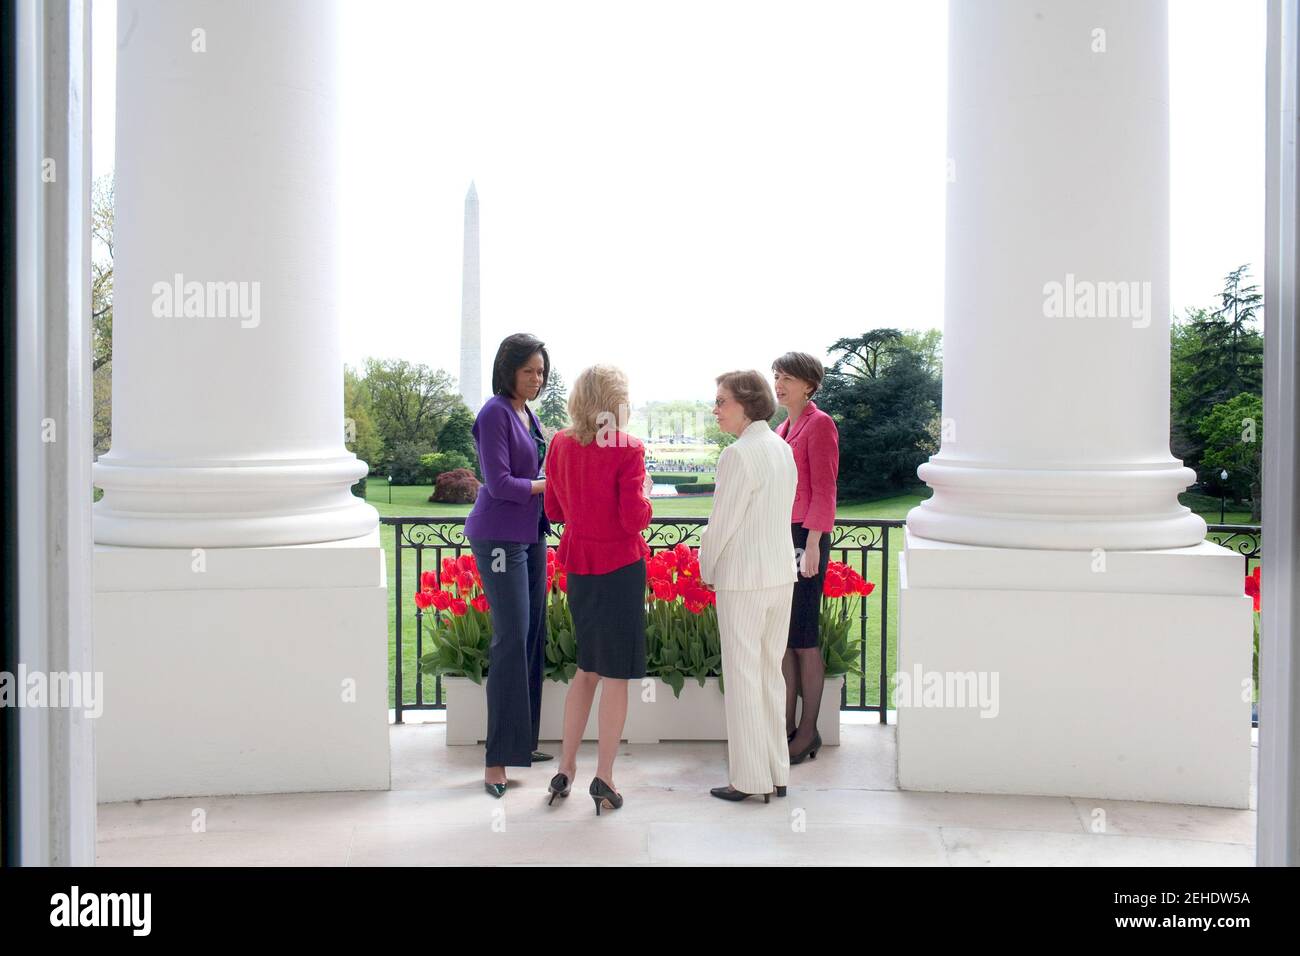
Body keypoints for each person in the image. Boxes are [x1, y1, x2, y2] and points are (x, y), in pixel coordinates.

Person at [542, 365, 654, 815]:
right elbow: (634, 520)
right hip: (621, 568)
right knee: (616, 677)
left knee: (585, 670)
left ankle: (565, 767)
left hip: (580, 568)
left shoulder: (560, 444)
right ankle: (604, 777)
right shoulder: (628, 449)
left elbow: (552, 508)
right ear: (617, 403)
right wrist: (645, 491)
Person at [698, 370, 798, 803]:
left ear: (746, 404)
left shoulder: (738, 455)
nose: (715, 409)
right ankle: (777, 773)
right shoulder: (781, 447)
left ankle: (749, 780)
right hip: (779, 575)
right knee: (768, 675)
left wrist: (705, 567)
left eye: (721, 401)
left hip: (743, 579)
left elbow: (722, 524)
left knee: (743, 678)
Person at [465, 333, 553, 798]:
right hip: (499, 536)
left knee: (533, 635)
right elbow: (498, 483)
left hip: (530, 536)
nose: (536, 379)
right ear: (508, 370)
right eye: (528, 371)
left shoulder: (526, 412)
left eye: (540, 371)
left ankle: (523, 743)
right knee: (510, 638)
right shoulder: (495, 413)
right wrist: (549, 482)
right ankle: (496, 760)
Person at [773, 352, 840, 763]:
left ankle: (809, 730)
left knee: (804, 636)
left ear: (808, 384)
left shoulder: (821, 424)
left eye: (786, 378)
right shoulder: (782, 427)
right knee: (785, 638)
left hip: (806, 537)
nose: (778, 383)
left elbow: (825, 488)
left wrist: (813, 543)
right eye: (776, 376)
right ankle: (784, 726)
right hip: (783, 537)